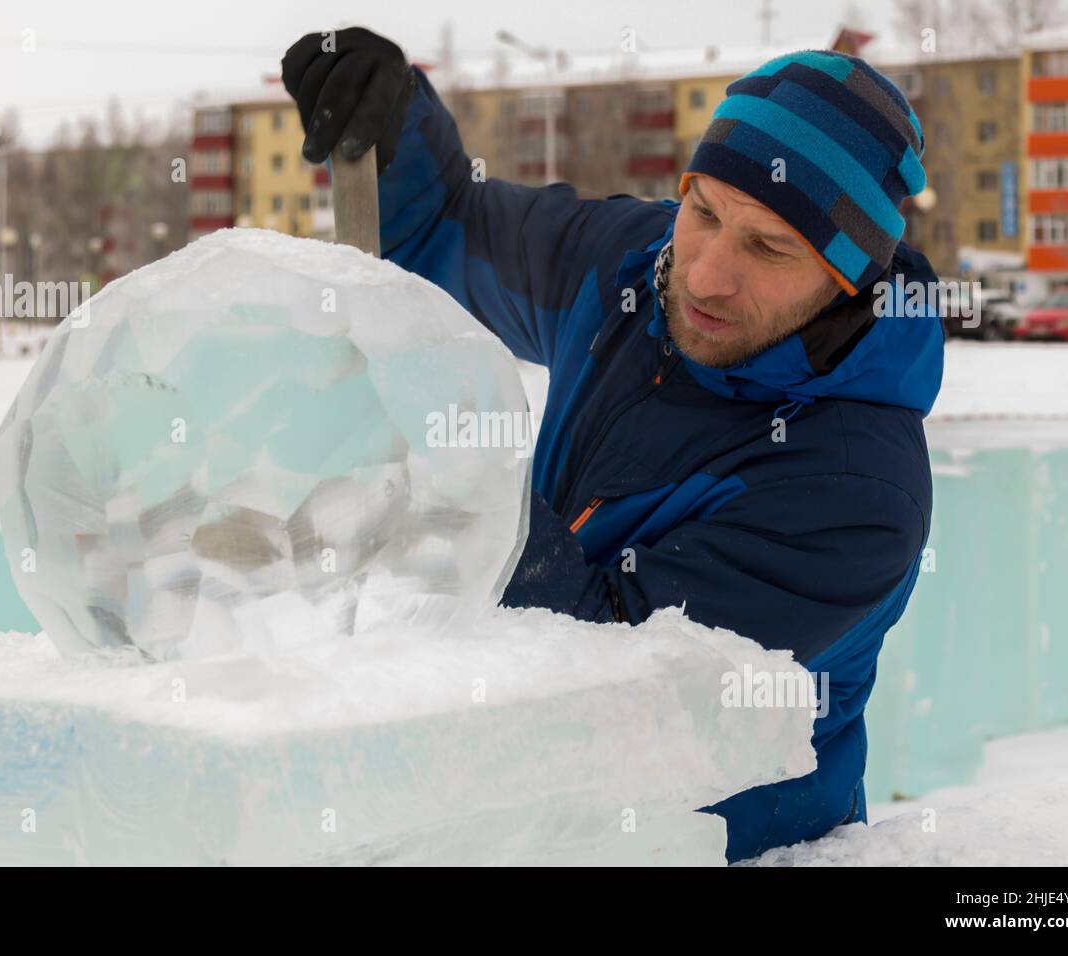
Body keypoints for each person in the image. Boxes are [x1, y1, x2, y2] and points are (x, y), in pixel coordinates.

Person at [282, 26, 943, 863]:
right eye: (704, 212)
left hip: (717, 839)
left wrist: (436, 468)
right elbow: (448, 231)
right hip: (529, 805)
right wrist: (391, 118)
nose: (705, 274)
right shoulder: (634, 266)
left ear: (848, 280)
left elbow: (608, 670)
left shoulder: (856, 491)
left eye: (769, 247)